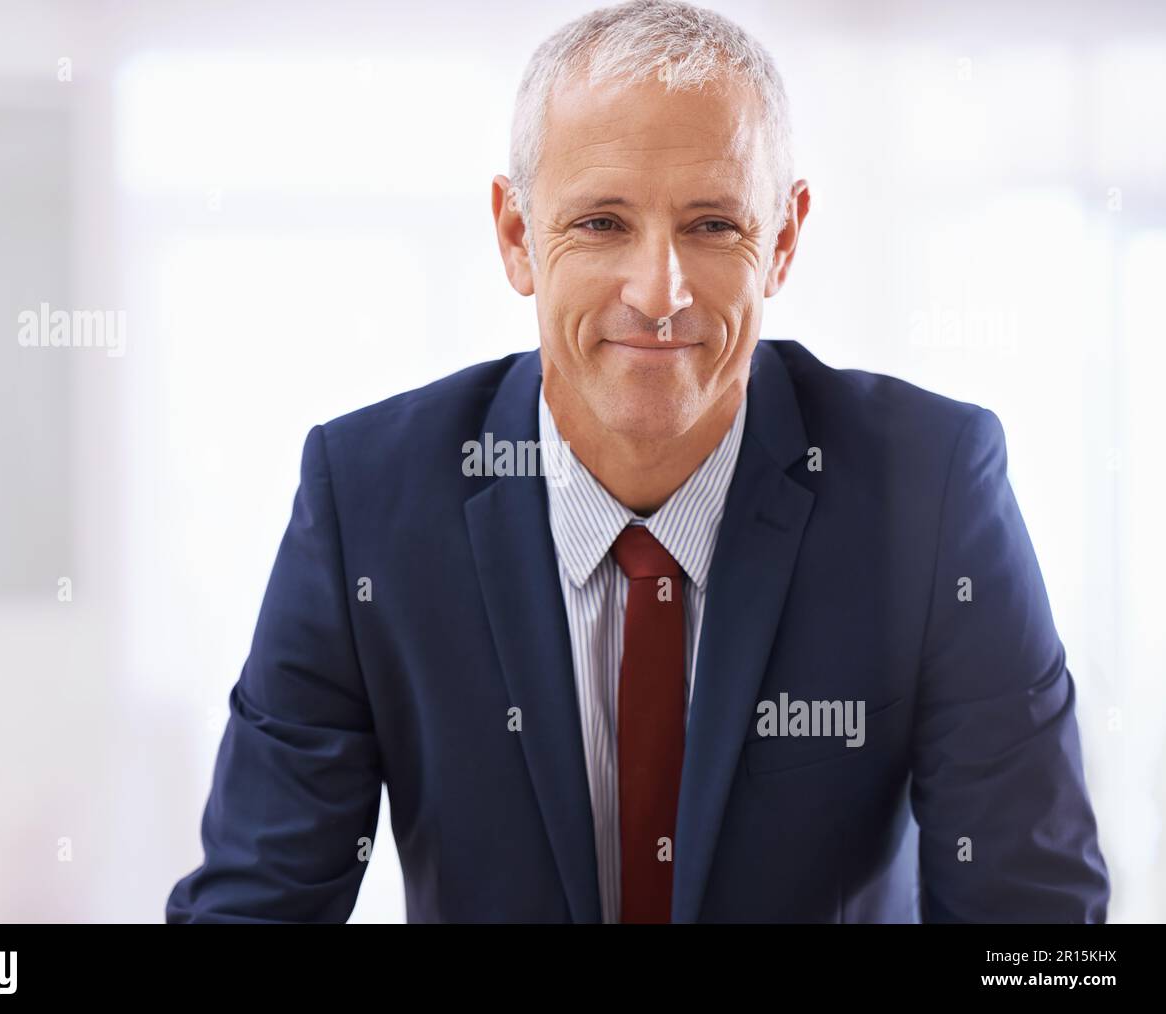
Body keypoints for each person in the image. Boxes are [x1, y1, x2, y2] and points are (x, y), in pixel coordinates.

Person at [166, 0, 1110, 923]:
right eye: (602, 223)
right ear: (515, 236)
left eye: (712, 225)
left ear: (781, 241)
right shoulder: (366, 500)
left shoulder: (932, 488)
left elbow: (1034, 926)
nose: (658, 293)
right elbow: (259, 907)